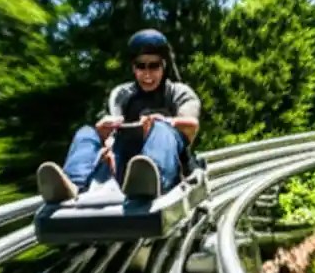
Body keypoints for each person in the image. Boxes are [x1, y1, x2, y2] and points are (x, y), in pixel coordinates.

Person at [37, 29, 201, 202]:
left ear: (163, 66)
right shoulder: (121, 95)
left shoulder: (179, 93)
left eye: (153, 66)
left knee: (161, 129)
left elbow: (191, 126)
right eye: (141, 66)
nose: (147, 74)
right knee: (87, 132)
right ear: (133, 68)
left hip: (170, 167)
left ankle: (151, 180)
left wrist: (165, 122)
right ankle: (73, 185)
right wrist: (103, 133)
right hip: (124, 166)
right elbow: (111, 139)